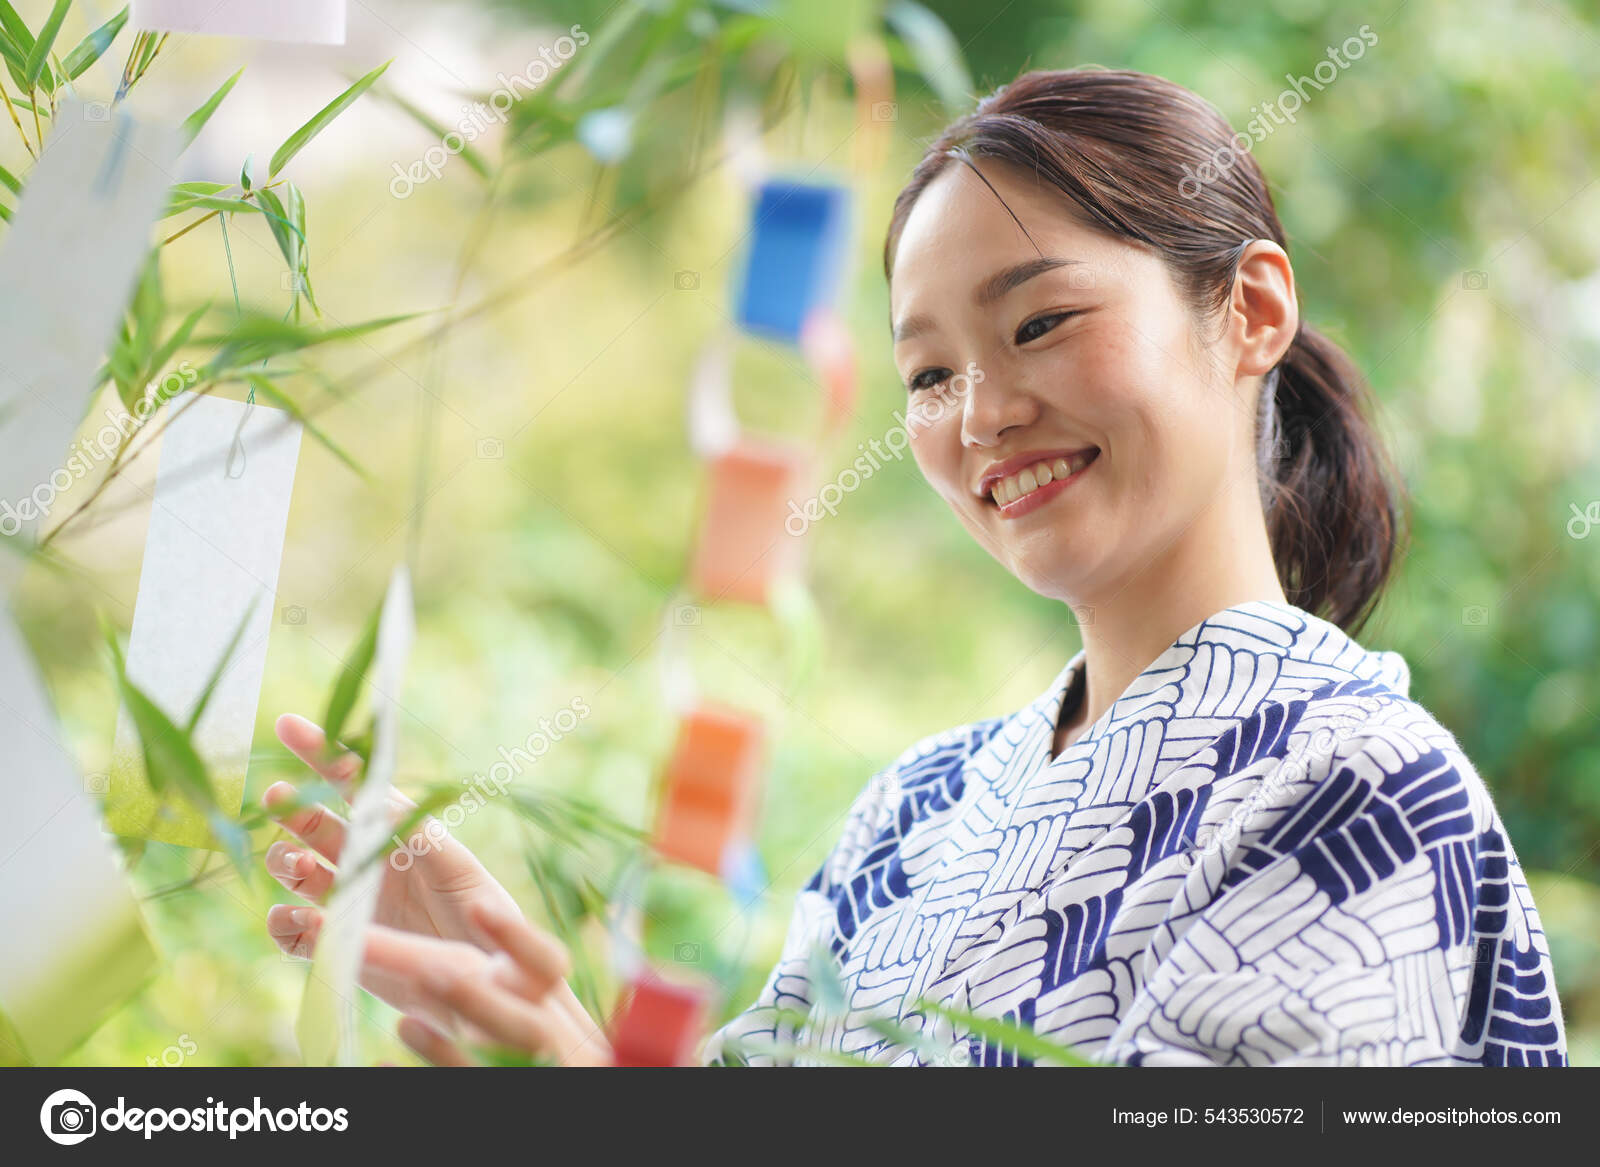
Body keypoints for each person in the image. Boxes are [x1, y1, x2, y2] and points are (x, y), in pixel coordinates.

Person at [262, 67, 1566, 1067]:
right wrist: (553, 1038)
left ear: (1252, 311)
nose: (981, 413)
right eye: (930, 374)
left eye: (1040, 322)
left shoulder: (1357, 785)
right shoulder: (913, 811)